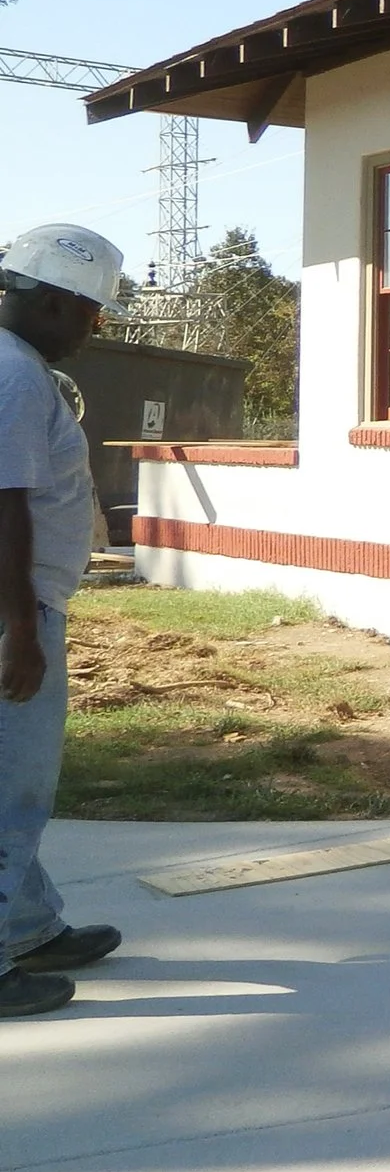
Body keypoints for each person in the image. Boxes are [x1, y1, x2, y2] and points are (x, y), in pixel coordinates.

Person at [0, 223, 127, 1017]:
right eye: (91, 314)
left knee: (21, 782)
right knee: (13, 788)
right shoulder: (14, 377)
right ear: (52, 300)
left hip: (25, 604)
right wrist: (20, 629)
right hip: (13, 611)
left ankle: (30, 924)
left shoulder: (18, 369)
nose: (92, 330)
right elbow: (5, 503)